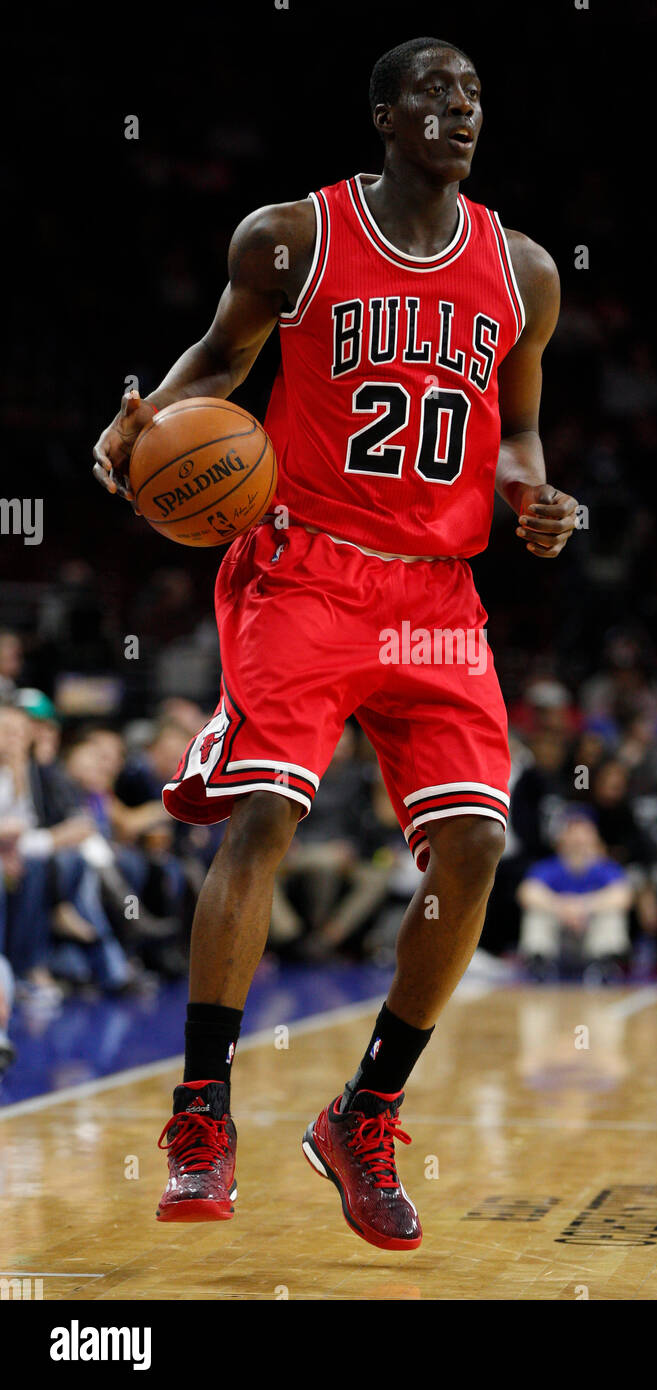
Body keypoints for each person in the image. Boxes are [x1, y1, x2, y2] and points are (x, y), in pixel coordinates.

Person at [92, 36, 578, 1249]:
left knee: (473, 847)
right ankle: (202, 1111)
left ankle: (362, 1113)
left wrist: (536, 497)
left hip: (436, 591)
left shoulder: (521, 273)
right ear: (381, 115)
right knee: (266, 816)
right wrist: (146, 422)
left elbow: (514, 440)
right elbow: (222, 360)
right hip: (306, 563)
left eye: (472, 93)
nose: (456, 109)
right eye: (432, 92)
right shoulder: (291, 238)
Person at [517, 807, 633, 976]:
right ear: (561, 837)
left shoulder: (606, 868)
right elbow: (527, 892)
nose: (579, 838)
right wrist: (561, 907)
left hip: (589, 936)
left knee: (611, 915)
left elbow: (623, 895)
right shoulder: (548, 867)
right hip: (559, 936)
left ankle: (603, 967)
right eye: (573, 831)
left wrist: (584, 906)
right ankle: (540, 966)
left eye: (584, 832)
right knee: (536, 915)